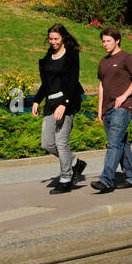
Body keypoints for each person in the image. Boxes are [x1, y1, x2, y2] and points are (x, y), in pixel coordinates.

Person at [32, 24, 86, 194]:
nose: (53, 42)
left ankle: (66, 178)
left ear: (63, 38)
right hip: (51, 103)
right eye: (50, 39)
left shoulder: (71, 55)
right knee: (47, 143)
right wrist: (36, 100)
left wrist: (65, 104)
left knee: (61, 142)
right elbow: (47, 83)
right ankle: (76, 163)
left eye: (56, 39)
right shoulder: (49, 55)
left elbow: (72, 81)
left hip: (67, 103)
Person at [92, 27, 132, 194]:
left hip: (123, 107)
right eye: (103, 41)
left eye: (108, 41)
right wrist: (99, 108)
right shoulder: (103, 61)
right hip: (107, 108)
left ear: (117, 40)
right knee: (122, 144)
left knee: (114, 144)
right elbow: (101, 85)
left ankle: (106, 180)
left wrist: (124, 96)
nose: (105, 44)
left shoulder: (126, 58)